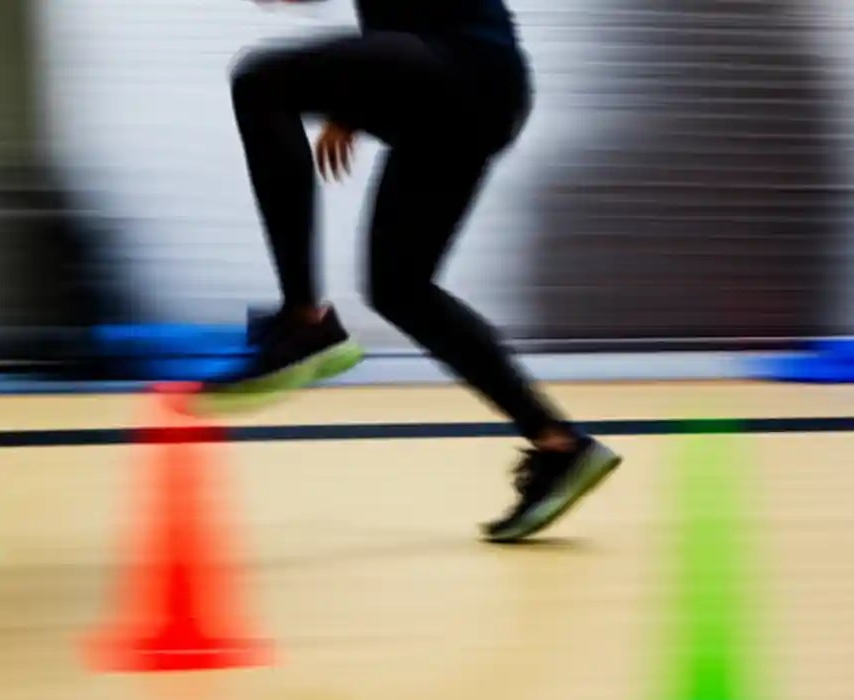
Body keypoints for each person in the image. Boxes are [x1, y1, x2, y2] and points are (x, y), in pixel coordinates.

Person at [202, 0, 623, 542]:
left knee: (259, 84)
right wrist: (350, 104)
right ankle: (559, 444)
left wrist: (349, 98)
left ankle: (304, 319)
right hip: (477, 93)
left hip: (458, 69)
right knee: (399, 287)